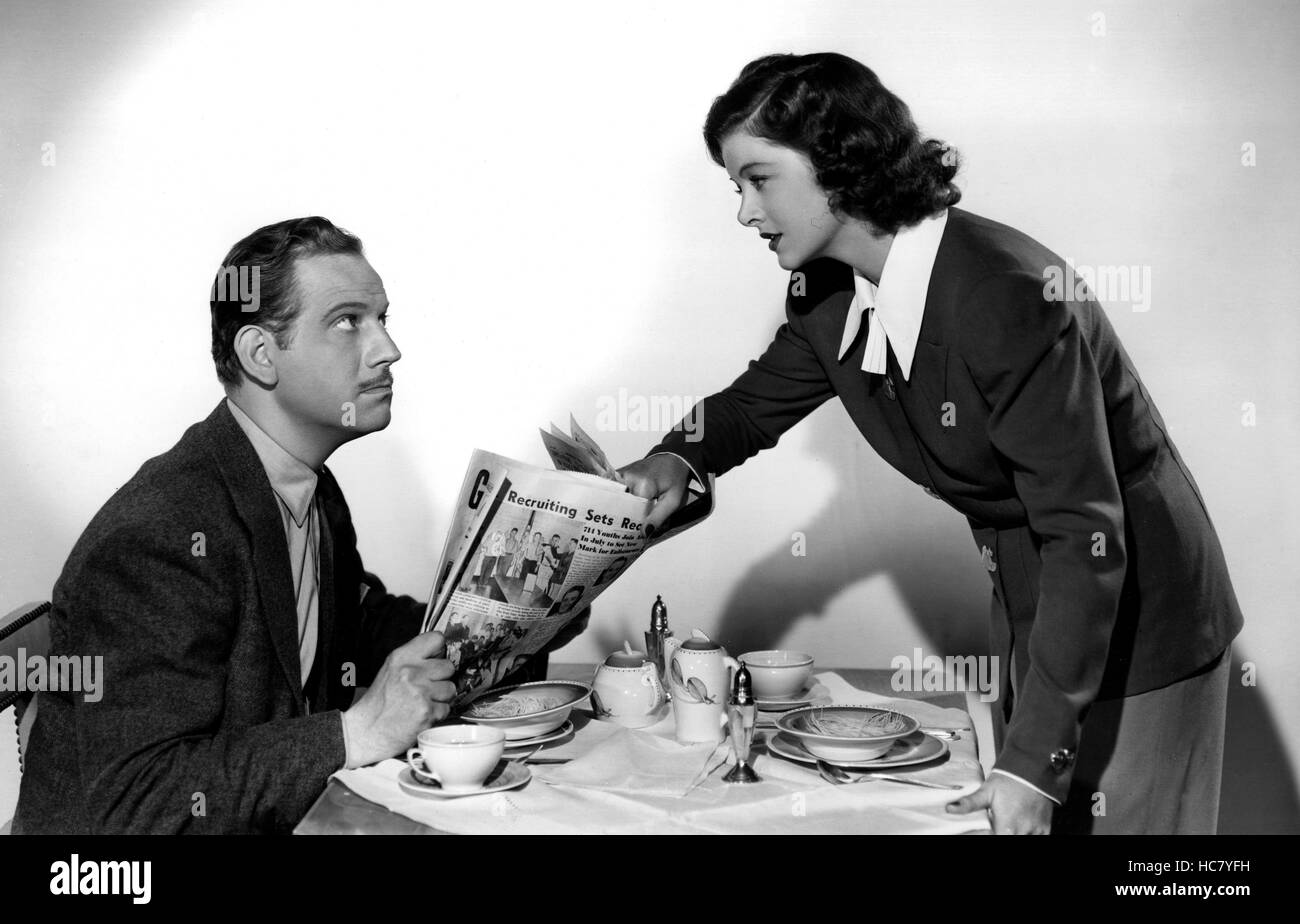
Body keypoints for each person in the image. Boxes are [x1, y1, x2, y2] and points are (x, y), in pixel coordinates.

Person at [618, 53, 1243, 835]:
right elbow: (752, 406)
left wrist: (1031, 762)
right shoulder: (826, 291)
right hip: (1036, 601)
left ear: (839, 165)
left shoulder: (1006, 296)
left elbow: (1084, 533)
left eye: (758, 179)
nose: (745, 212)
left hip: (1139, 612)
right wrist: (679, 457)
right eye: (735, 186)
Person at [19, 217, 516, 833]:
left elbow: (357, 631)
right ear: (260, 355)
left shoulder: (311, 488)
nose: (388, 348)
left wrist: (519, 606)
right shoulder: (160, 534)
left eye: (383, 318)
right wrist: (354, 733)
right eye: (347, 321)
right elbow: (133, 804)